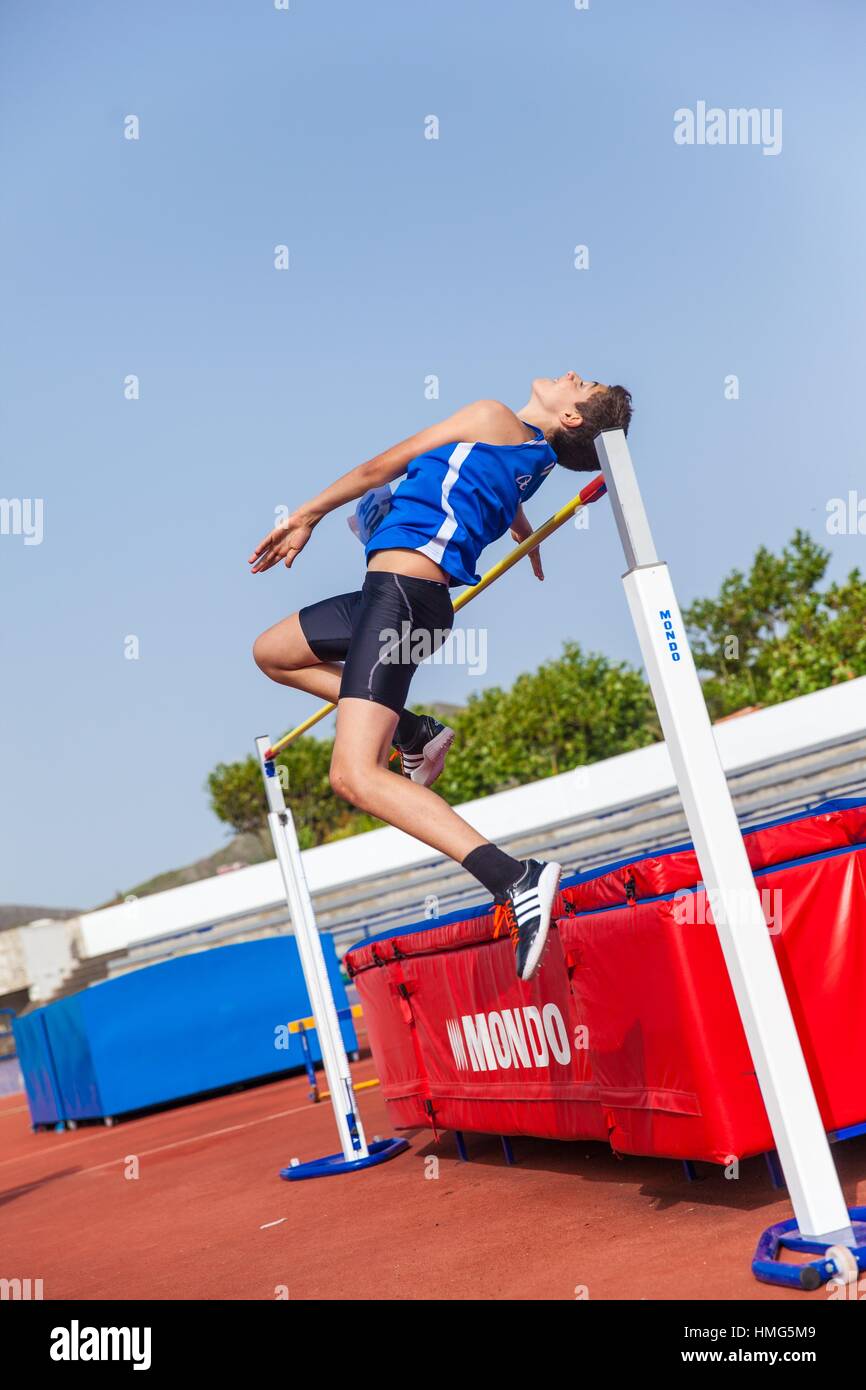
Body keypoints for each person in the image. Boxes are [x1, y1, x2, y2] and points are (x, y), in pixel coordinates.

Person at [250, 372, 632, 980]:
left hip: (403, 598)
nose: (567, 374)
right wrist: (520, 525)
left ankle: (516, 879)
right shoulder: (527, 455)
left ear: (572, 419)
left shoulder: (491, 418)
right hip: (396, 597)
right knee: (272, 652)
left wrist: (307, 515)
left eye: (578, 383)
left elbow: (384, 464)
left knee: (355, 775)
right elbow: (503, 478)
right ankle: (414, 732)